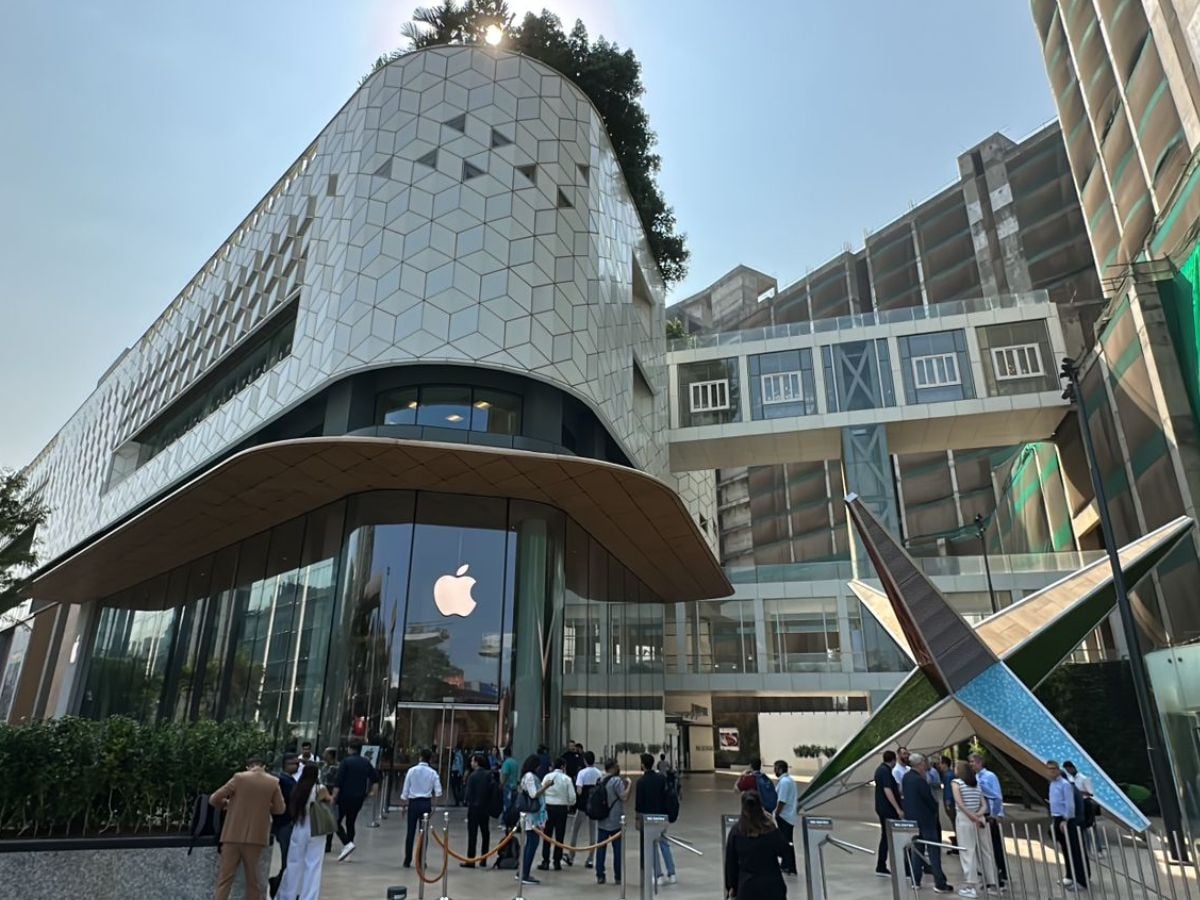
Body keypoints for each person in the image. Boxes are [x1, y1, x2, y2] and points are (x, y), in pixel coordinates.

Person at [210, 755, 286, 900]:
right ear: (264, 766)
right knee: (253, 880)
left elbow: (214, 798)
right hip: (256, 838)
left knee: (225, 879)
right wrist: (265, 806)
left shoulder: (239, 778)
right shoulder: (273, 782)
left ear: (247, 767)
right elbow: (280, 809)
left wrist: (227, 804)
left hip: (232, 835)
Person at [276, 764, 332, 900]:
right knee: (313, 865)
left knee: (293, 863)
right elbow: (330, 800)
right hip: (316, 829)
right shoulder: (320, 789)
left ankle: (287, 895)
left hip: (299, 828)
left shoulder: (298, 788)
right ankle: (308, 896)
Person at [902, 753, 953, 894]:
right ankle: (939, 882)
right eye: (924, 763)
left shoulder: (906, 777)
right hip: (926, 819)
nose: (925, 765)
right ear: (919, 764)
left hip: (912, 819)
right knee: (933, 850)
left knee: (917, 849)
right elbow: (928, 798)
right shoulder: (919, 780)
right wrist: (934, 809)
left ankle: (915, 880)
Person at [723, 790, 787, 900]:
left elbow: (731, 863)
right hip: (773, 887)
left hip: (747, 887)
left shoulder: (737, 831)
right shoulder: (770, 830)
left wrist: (731, 886)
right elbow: (785, 850)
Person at [951, 760, 996, 899]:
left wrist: (971, 816)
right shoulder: (976, 784)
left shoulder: (956, 783)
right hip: (979, 818)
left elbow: (959, 802)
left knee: (967, 851)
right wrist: (978, 815)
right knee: (986, 851)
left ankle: (971, 886)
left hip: (965, 819)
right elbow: (984, 805)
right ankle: (992, 882)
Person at [332, 737, 380, 862]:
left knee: (336, 822)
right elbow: (375, 779)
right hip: (358, 797)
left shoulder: (346, 762)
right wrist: (372, 793)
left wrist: (334, 796)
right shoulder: (366, 762)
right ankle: (349, 845)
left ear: (350, 748)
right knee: (350, 822)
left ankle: (347, 843)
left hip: (344, 796)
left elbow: (339, 781)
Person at [635, 751, 678, 886]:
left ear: (643, 765)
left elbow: (639, 803)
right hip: (662, 816)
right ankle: (672, 873)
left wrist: (637, 819)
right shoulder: (661, 778)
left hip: (648, 818)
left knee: (652, 846)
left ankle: (658, 875)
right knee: (664, 844)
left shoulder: (641, 782)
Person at [400, 748, 443, 868]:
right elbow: (438, 792)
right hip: (425, 803)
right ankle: (421, 860)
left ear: (420, 757)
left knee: (410, 832)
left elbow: (405, 791)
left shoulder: (411, 771)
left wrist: (403, 806)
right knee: (423, 833)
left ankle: (407, 859)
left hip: (413, 803)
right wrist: (434, 807)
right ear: (430, 759)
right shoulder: (433, 773)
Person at [1048, 760, 1088, 890]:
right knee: (1066, 849)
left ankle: (1081, 880)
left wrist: (1066, 819)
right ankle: (1070, 875)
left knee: (1075, 849)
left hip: (1068, 820)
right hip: (1057, 817)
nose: (1051, 771)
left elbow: (1070, 804)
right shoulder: (1052, 784)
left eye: (1053, 769)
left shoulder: (1065, 785)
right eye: (1049, 769)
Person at [969, 753, 1008, 887]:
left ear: (980, 762)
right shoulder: (975, 777)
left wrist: (996, 814)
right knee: (986, 847)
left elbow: (997, 796)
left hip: (990, 816)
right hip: (981, 815)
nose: (971, 764)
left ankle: (1000, 873)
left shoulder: (990, 776)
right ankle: (990, 873)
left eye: (973, 762)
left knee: (994, 846)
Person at [595, 758, 631, 887]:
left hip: (602, 819)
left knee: (600, 849)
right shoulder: (616, 781)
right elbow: (624, 797)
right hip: (616, 820)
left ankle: (600, 874)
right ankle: (618, 876)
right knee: (617, 851)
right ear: (613, 768)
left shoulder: (600, 779)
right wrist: (629, 785)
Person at [269, 753, 301, 897]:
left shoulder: (287, 780)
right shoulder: (284, 781)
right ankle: (277, 886)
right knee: (284, 859)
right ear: (286, 765)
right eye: (294, 763)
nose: (297, 766)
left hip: (285, 822)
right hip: (284, 823)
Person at [538, 757, 576, 871]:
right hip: (561, 809)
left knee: (547, 835)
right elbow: (573, 797)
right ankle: (557, 861)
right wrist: (567, 803)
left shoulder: (547, 777)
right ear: (563, 767)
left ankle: (545, 861)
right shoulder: (567, 779)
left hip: (548, 807)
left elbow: (541, 791)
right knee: (560, 836)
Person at [518, 754, 551, 885]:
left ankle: (522, 871)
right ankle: (525, 873)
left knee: (530, 844)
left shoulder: (527, 776)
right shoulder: (530, 777)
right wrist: (546, 786)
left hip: (530, 815)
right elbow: (533, 794)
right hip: (531, 816)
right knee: (532, 843)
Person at [873, 749, 905, 877]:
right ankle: (882, 865)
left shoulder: (880, 770)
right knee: (887, 836)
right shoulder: (885, 772)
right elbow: (888, 790)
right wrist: (897, 808)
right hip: (887, 809)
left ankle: (883, 864)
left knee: (886, 836)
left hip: (883, 808)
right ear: (893, 760)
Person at [568, 750, 603, 868]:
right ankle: (590, 859)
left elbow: (579, 790)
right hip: (594, 806)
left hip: (582, 805)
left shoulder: (582, 773)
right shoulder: (599, 773)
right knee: (593, 832)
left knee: (575, 830)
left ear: (584, 761)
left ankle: (571, 856)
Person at [1064, 761, 1103, 856]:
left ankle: (1097, 849)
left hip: (1086, 803)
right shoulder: (1069, 779)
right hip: (1076, 804)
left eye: (1068, 769)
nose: (1068, 771)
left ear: (1072, 768)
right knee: (1080, 827)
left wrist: (1077, 792)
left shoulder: (1083, 779)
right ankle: (1086, 849)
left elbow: (1090, 793)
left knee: (1090, 826)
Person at [462, 753, 493, 867]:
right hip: (485, 808)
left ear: (477, 763)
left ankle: (471, 859)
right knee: (485, 833)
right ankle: (483, 859)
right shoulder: (489, 775)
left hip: (474, 808)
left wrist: (466, 800)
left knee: (472, 834)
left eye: (473, 761)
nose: (471, 763)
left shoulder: (473, 776)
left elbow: (468, 793)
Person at [773, 760, 798, 876]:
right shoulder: (790, 781)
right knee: (787, 841)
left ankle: (789, 865)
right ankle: (787, 864)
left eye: (775, 768)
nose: (774, 771)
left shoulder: (784, 782)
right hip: (790, 815)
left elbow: (781, 800)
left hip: (784, 817)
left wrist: (776, 814)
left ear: (780, 769)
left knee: (786, 842)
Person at [319, 748, 341, 855]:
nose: (323, 755)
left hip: (331, 795)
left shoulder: (335, 768)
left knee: (331, 819)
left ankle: (328, 843)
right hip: (322, 794)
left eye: (326, 754)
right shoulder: (324, 766)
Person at [936, 756, 957, 855]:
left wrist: (948, 802)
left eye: (940, 763)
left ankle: (957, 845)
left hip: (950, 802)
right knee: (954, 823)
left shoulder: (948, 775)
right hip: (950, 801)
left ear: (944, 764)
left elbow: (948, 789)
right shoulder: (948, 774)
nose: (939, 766)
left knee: (954, 822)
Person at [500, 747, 520, 822]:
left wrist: (502, 783)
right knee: (513, 805)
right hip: (514, 786)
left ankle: (505, 821)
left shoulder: (506, 763)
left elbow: (504, 774)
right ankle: (512, 820)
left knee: (506, 805)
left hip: (508, 786)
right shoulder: (515, 762)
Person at [450, 740, 466, 807]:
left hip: (456, 772)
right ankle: (459, 800)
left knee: (456, 787)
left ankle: (458, 800)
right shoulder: (458, 754)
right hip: (457, 772)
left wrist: (460, 772)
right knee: (457, 787)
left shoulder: (458, 755)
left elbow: (459, 764)